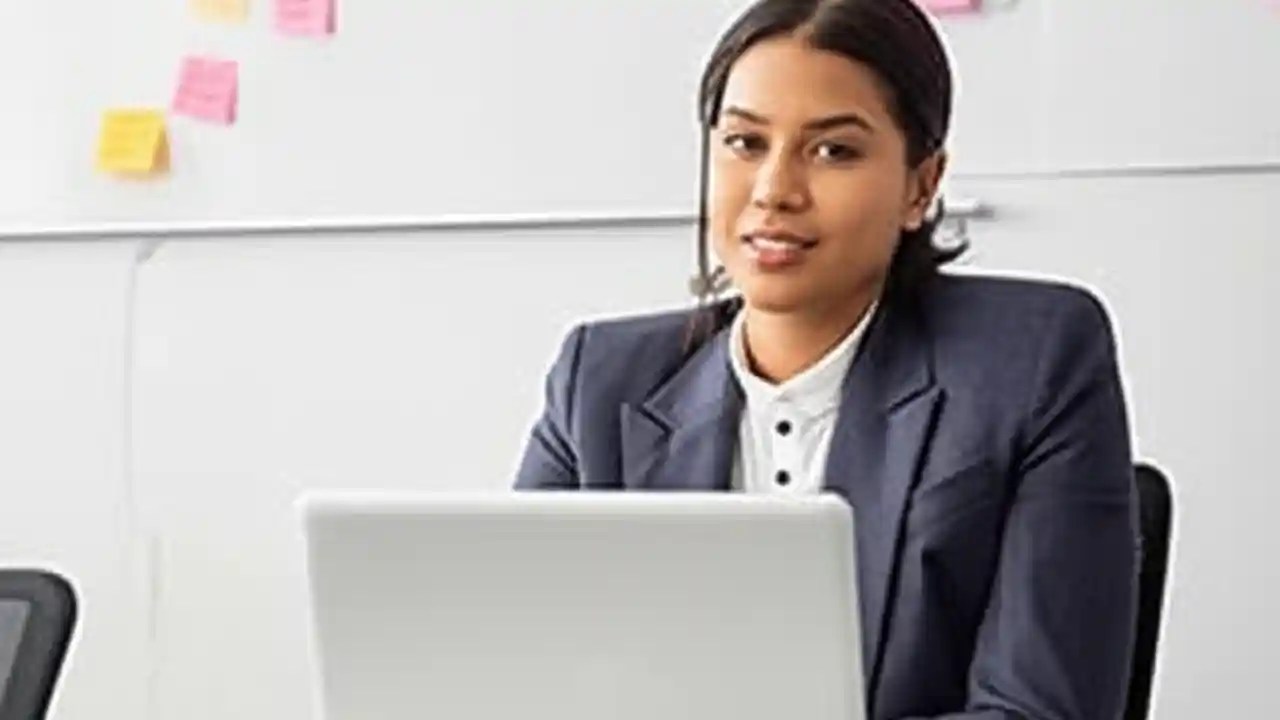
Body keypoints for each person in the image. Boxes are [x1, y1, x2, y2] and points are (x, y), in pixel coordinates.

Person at [514, 0, 1139, 717]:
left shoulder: (1033, 361)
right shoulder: (598, 380)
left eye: (833, 150)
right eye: (745, 143)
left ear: (921, 185)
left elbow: (1040, 710)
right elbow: (516, 673)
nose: (775, 190)